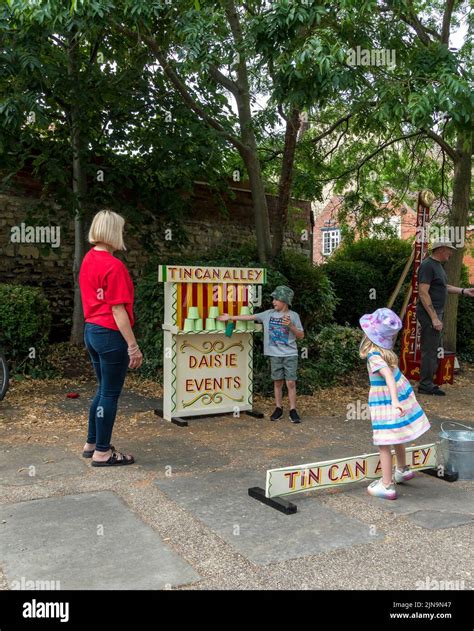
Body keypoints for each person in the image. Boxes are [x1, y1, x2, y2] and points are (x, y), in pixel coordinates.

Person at [79, 210, 143, 466]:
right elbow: (118, 310)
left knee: (102, 391)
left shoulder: (88, 259)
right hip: (109, 334)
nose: (122, 234)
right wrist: (133, 346)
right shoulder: (113, 265)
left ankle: (92, 443)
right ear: (113, 231)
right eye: (121, 229)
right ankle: (103, 453)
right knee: (109, 394)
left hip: (91, 331)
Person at [359, 308, 431, 500]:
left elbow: (389, 377)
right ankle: (402, 469)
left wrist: (394, 401)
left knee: (384, 442)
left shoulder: (374, 355)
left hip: (387, 402)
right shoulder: (387, 353)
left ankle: (386, 485)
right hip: (399, 397)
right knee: (397, 435)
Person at [218, 285, 304, 423]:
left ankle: (293, 410)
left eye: (276, 299)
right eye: (273, 299)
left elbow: (300, 336)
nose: (273, 301)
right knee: (277, 382)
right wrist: (231, 317)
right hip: (275, 355)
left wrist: (290, 326)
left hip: (290, 354)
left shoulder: (294, 316)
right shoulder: (268, 314)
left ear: (285, 300)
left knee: (291, 382)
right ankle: (278, 408)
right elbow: (249, 317)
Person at [417, 238, 474, 396]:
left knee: (434, 348)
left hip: (436, 313)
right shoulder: (427, 265)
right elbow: (423, 292)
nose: (451, 253)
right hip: (430, 314)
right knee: (430, 349)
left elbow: (444, 287)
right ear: (441, 249)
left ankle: (429, 382)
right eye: (449, 250)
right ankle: (425, 385)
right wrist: (434, 318)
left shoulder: (438, 267)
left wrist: (464, 291)